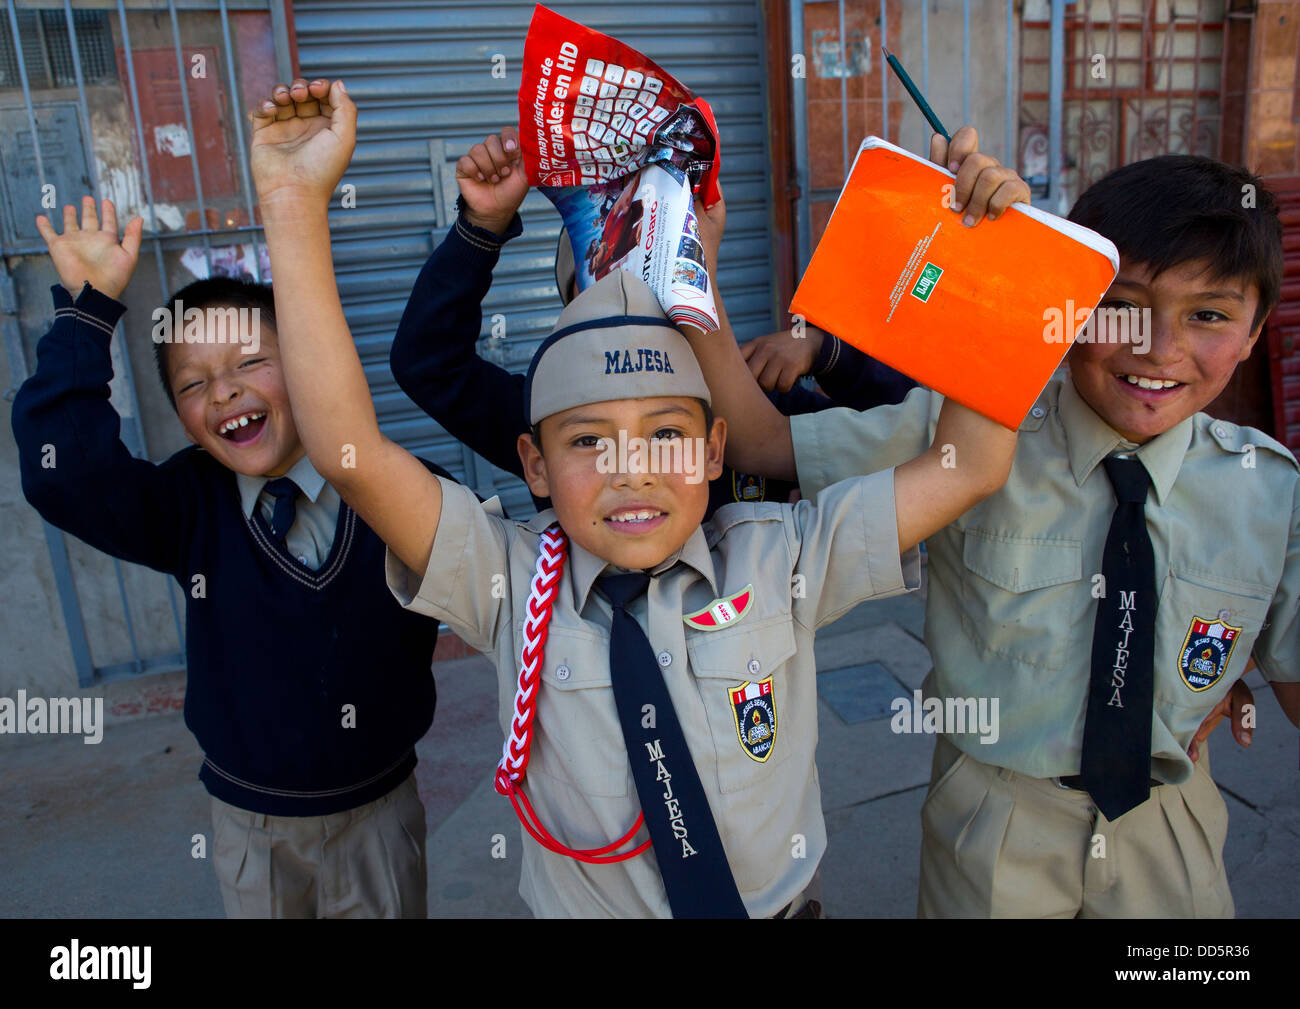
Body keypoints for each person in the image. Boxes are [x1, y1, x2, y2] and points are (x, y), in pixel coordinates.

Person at [246, 76, 1019, 917]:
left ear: (716, 446)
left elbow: (969, 464)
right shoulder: (504, 584)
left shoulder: (781, 553)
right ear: (533, 467)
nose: (631, 467)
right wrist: (291, 205)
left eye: (665, 433)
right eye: (586, 439)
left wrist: (993, 263)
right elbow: (350, 454)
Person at [683, 127, 1300, 917]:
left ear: (1255, 331)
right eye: (1119, 308)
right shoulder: (964, 430)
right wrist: (692, 259)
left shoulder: (1269, 492)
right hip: (996, 829)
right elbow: (764, 438)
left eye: (1209, 314)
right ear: (1068, 302)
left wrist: (1225, 674)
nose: (1159, 349)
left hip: (1169, 836)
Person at [11, 192, 453, 918]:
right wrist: (88, 312)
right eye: (192, 383)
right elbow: (65, 473)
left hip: (380, 815)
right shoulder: (188, 505)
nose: (224, 391)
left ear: (311, 365)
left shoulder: (399, 493)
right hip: (253, 830)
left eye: (252, 359)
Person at [388, 127, 913, 519]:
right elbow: (426, 362)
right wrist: (481, 228)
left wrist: (828, 354)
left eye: (652, 274)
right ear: (570, 311)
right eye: (606, 279)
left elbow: (902, 443)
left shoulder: (760, 403)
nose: (631, 300)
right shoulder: (552, 415)